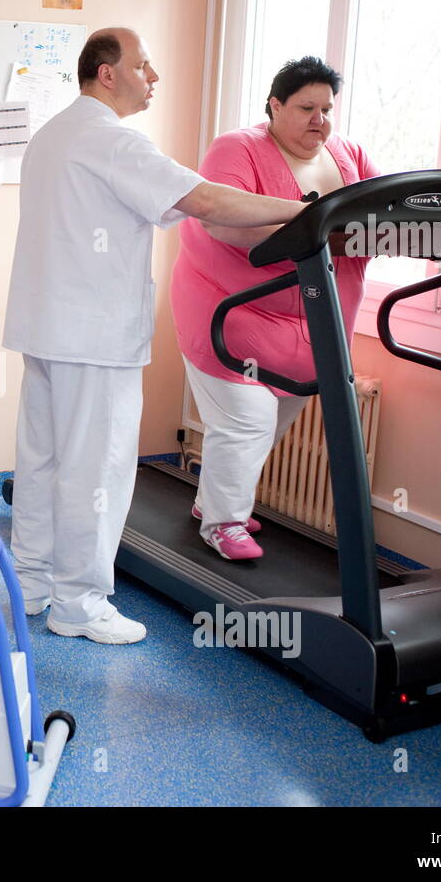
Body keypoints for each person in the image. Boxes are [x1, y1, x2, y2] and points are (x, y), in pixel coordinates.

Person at [2, 28, 306, 644]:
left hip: (47, 330)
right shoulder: (113, 140)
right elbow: (208, 202)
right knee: (99, 471)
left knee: (44, 462)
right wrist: (302, 210)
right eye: (143, 65)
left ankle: (30, 583)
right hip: (93, 340)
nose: (155, 76)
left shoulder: (53, 134)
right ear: (107, 74)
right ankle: (80, 605)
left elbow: (163, 206)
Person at [169, 56, 380, 562]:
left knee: (275, 418)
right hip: (229, 311)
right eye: (306, 107)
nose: (320, 120)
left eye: (327, 108)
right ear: (275, 105)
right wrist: (324, 232)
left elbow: (380, 213)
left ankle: (212, 501)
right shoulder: (236, 148)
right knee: (247, 418)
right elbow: (223, 223)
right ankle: (223, 522)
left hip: (315, 324)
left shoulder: (348, 154)